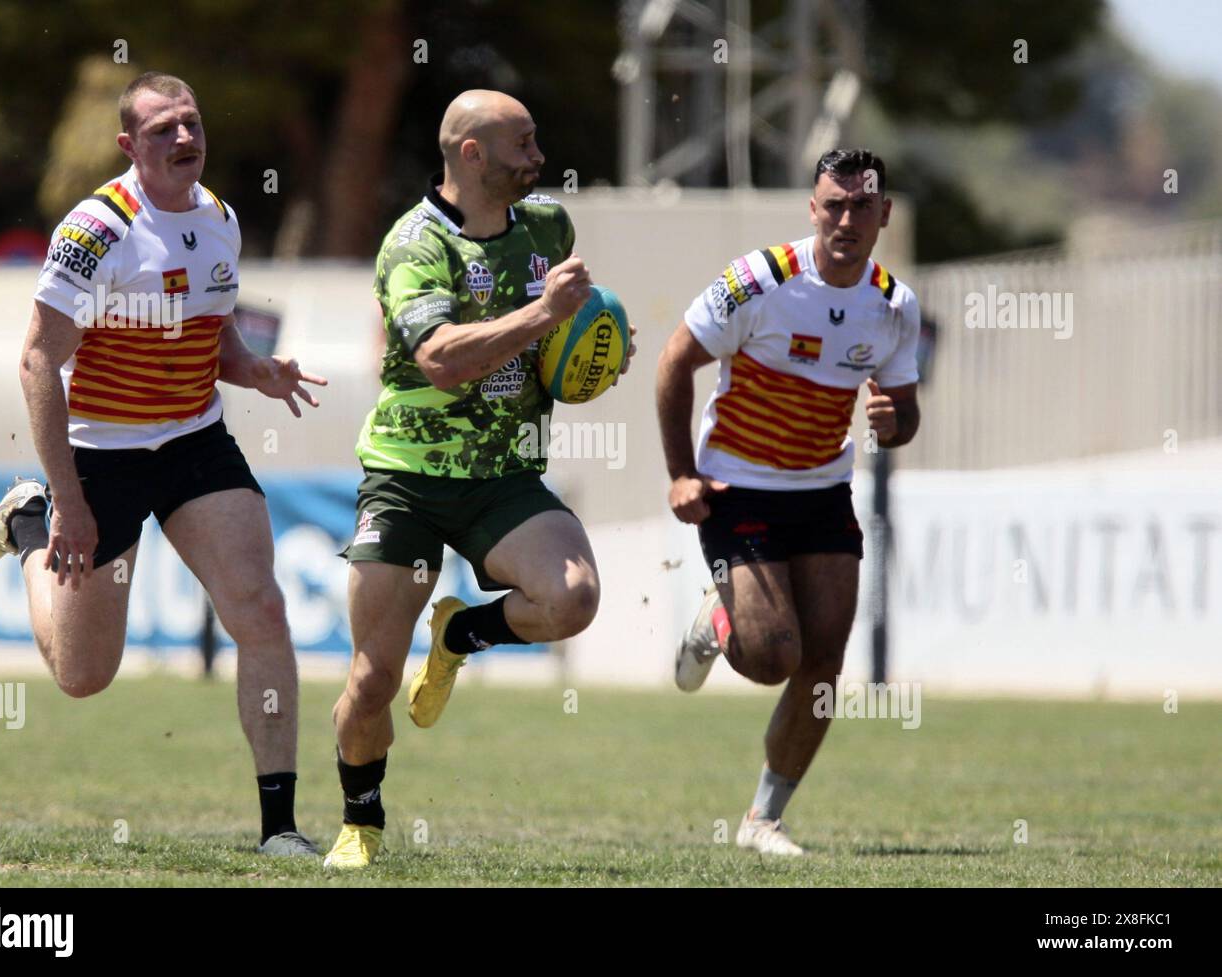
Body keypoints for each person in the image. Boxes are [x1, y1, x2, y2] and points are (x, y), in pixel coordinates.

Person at [0, 71, 326, 856]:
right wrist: (67, 500)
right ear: (129, 145)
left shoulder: (222, 220)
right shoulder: (98, 230)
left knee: (261, 612)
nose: (184, 139)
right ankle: (28, 524)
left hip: (195, 443)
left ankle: (280, 829)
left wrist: (256, 371)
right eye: (163, 129)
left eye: (192, 123)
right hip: (100, 455)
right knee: (82, 675)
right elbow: (37, 361)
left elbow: (214, 334)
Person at [324, 89, 635, 869]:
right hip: (409, 479)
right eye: (522, 144)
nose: (538, 157)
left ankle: (462, 631)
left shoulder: (548, 227)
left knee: (573, 598)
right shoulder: (413, 244)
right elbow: (441, 359)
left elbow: (568, 332)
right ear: (471, 153)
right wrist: (541, 317)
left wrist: (600, 353)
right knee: (371, 680)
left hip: (504, 476)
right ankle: (361, 820)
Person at [655, 149, 921, 856]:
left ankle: (763, 820)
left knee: (824, 667)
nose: (845, 219)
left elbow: (905, 410)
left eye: (861, 206)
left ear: (883, 214)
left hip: (823, 492)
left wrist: (899, 422)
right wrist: (681, 472)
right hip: (737, 489)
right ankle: (723, 615)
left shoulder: (894, 303)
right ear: (812, 208)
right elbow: (674, 361)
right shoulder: (759, 281)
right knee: (774, 654)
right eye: (832, 204)